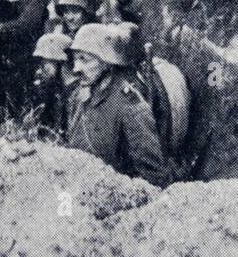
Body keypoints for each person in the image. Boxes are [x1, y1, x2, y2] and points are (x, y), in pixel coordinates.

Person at [65, 23, 170, 187]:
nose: (76, 68)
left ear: (106, 62)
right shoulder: (77, 96)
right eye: (75, 59)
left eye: (85, 60)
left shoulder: (130, 107)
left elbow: (154, 177)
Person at [30, 31, 72, 139]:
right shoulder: (47, 85)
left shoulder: (71, 89)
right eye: (42, 62)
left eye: (46, 63)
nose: (39, 71)